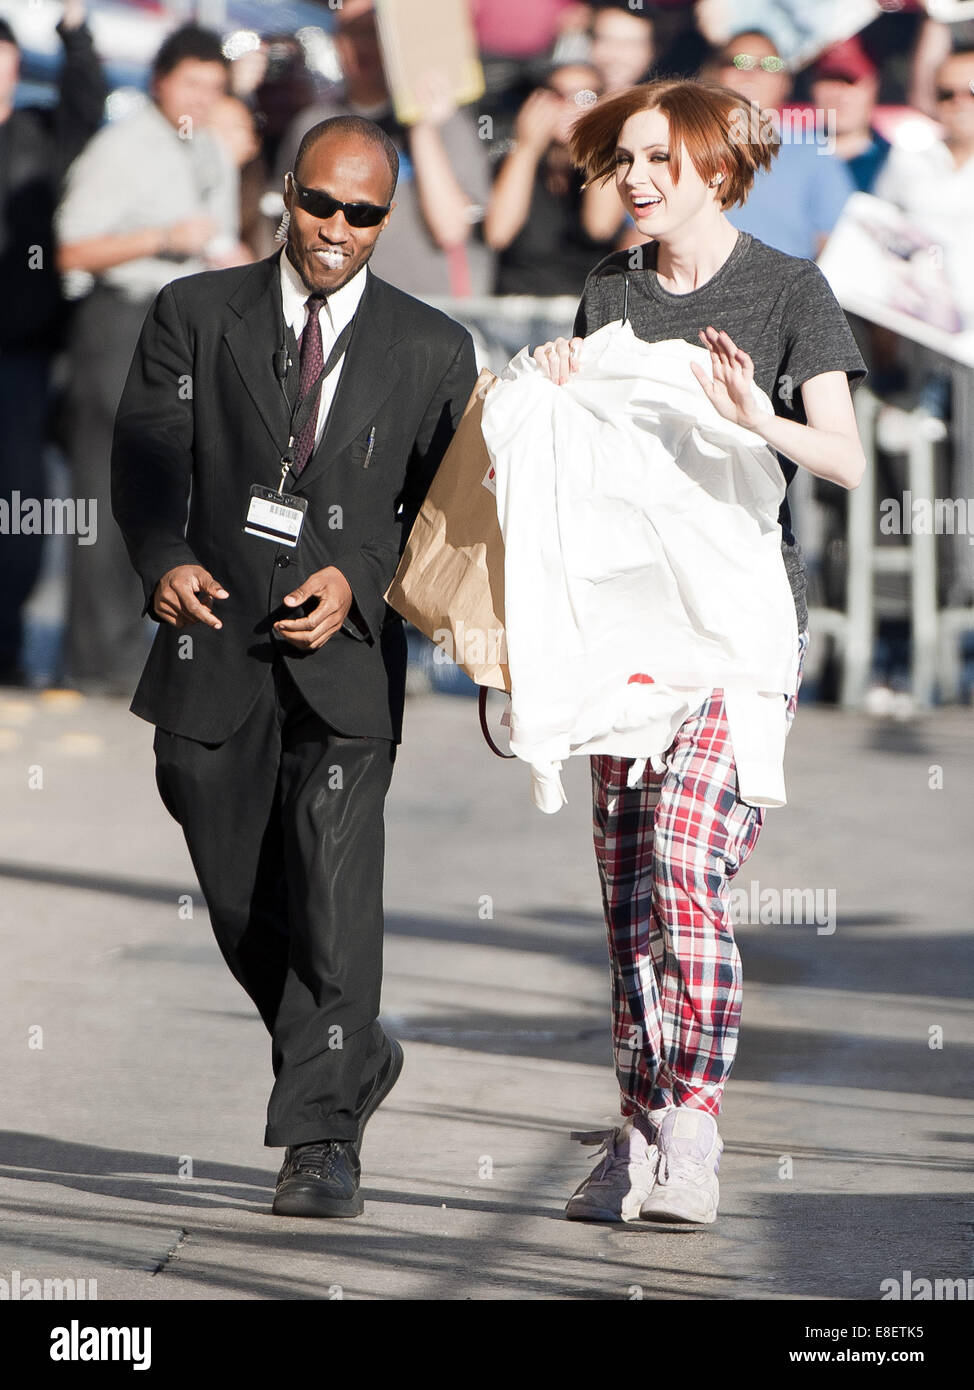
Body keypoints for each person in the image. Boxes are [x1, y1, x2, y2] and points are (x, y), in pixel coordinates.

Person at [111, 115, 478, 1219]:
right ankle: (349, 1048)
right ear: (285, 192)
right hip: (211, 646)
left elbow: (438, 514)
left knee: (330, 886)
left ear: (388, 216)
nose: (335, 229)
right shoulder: (193, 312)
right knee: (237, 889)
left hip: (347, 668)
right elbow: (143, 454)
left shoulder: (431, 347)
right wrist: (162, 553)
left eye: (363, 213)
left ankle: (321, 1138)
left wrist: (358, 577)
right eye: (320, 203)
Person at [532, 76, 867, 1224]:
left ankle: (694, 1123)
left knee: (684, 862)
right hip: (625, 634)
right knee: (628, 896)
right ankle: (635, 1132)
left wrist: (751, 415)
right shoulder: (605, 292)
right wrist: (552, 395)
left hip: (735, 628)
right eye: (620, 160)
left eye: (655, 161)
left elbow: (844, 458)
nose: (631, 180)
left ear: (715, 169)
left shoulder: (786, 289)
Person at [54, 23, 245, 697]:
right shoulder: (121, 147)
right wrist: (161, 237)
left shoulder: (211, 150)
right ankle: (92, 659)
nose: (201, 98)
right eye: (191, 82)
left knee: (172, 494)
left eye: (214, 88)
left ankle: (152, 653)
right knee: (106, 496)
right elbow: (70, 250)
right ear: (160, 81)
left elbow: (214, 244)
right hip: (119, 321)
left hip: (185, 329)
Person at [0, 0, 105, 686]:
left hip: (21, 358)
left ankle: (4, 647)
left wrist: (73, 27)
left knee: (16, 505)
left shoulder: (40, 134)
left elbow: (86, 106)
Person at [276, 0, 492, 299]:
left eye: (374, 32)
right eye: (351, 33)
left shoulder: (446, 122)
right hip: (335, 306)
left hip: (428, 307)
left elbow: (451, 229)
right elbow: (286, 224)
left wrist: (420, 124)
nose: (363, 45)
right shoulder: (312, 124)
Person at [706, 29, 856, 261]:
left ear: (786, 82)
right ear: (715, 74)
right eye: (739, 62)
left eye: (769, 65)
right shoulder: (682, 145)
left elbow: (839, 249)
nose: (752, 73)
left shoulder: (813, 153)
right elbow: (643, 238)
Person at [485, 62, 627, 294]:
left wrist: (597, 139)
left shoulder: (611, 164)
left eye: (585, 97)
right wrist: (526, 148)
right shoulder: (514, 161)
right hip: (517, 305)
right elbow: (498, 234)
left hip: (583, 307)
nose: (569, 106)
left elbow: (600, 228)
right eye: (556, 95)